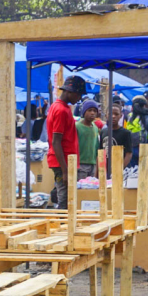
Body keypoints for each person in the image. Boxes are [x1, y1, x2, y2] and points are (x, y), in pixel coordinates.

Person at [47, 76, 85, 208]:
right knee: (65, 199)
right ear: (70, 92)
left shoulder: (58, 107)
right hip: (63, 162)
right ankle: (61, 226)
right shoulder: (61, 110)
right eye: (79, 94)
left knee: (66, 197)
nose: (79, 98)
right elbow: (56, 141)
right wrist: (65, 170)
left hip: (65, 160)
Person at [75, 99, 101, 180]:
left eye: (94, 111)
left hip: (92, 164)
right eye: (89, 110)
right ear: (84, 112)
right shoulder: (77, 126)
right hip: (81, 164)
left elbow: (96, 146)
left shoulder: (95, 127)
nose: (92, 113)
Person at [106, 103, 135, 169]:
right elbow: (100, 153)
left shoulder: (126, 133)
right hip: (107, 169)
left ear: (121, 116)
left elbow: (129, 153)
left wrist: (120, 168)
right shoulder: (103, 132)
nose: (113, 116)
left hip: (120, 169)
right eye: (110, 114)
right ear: (106, 116)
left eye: (116, 114)